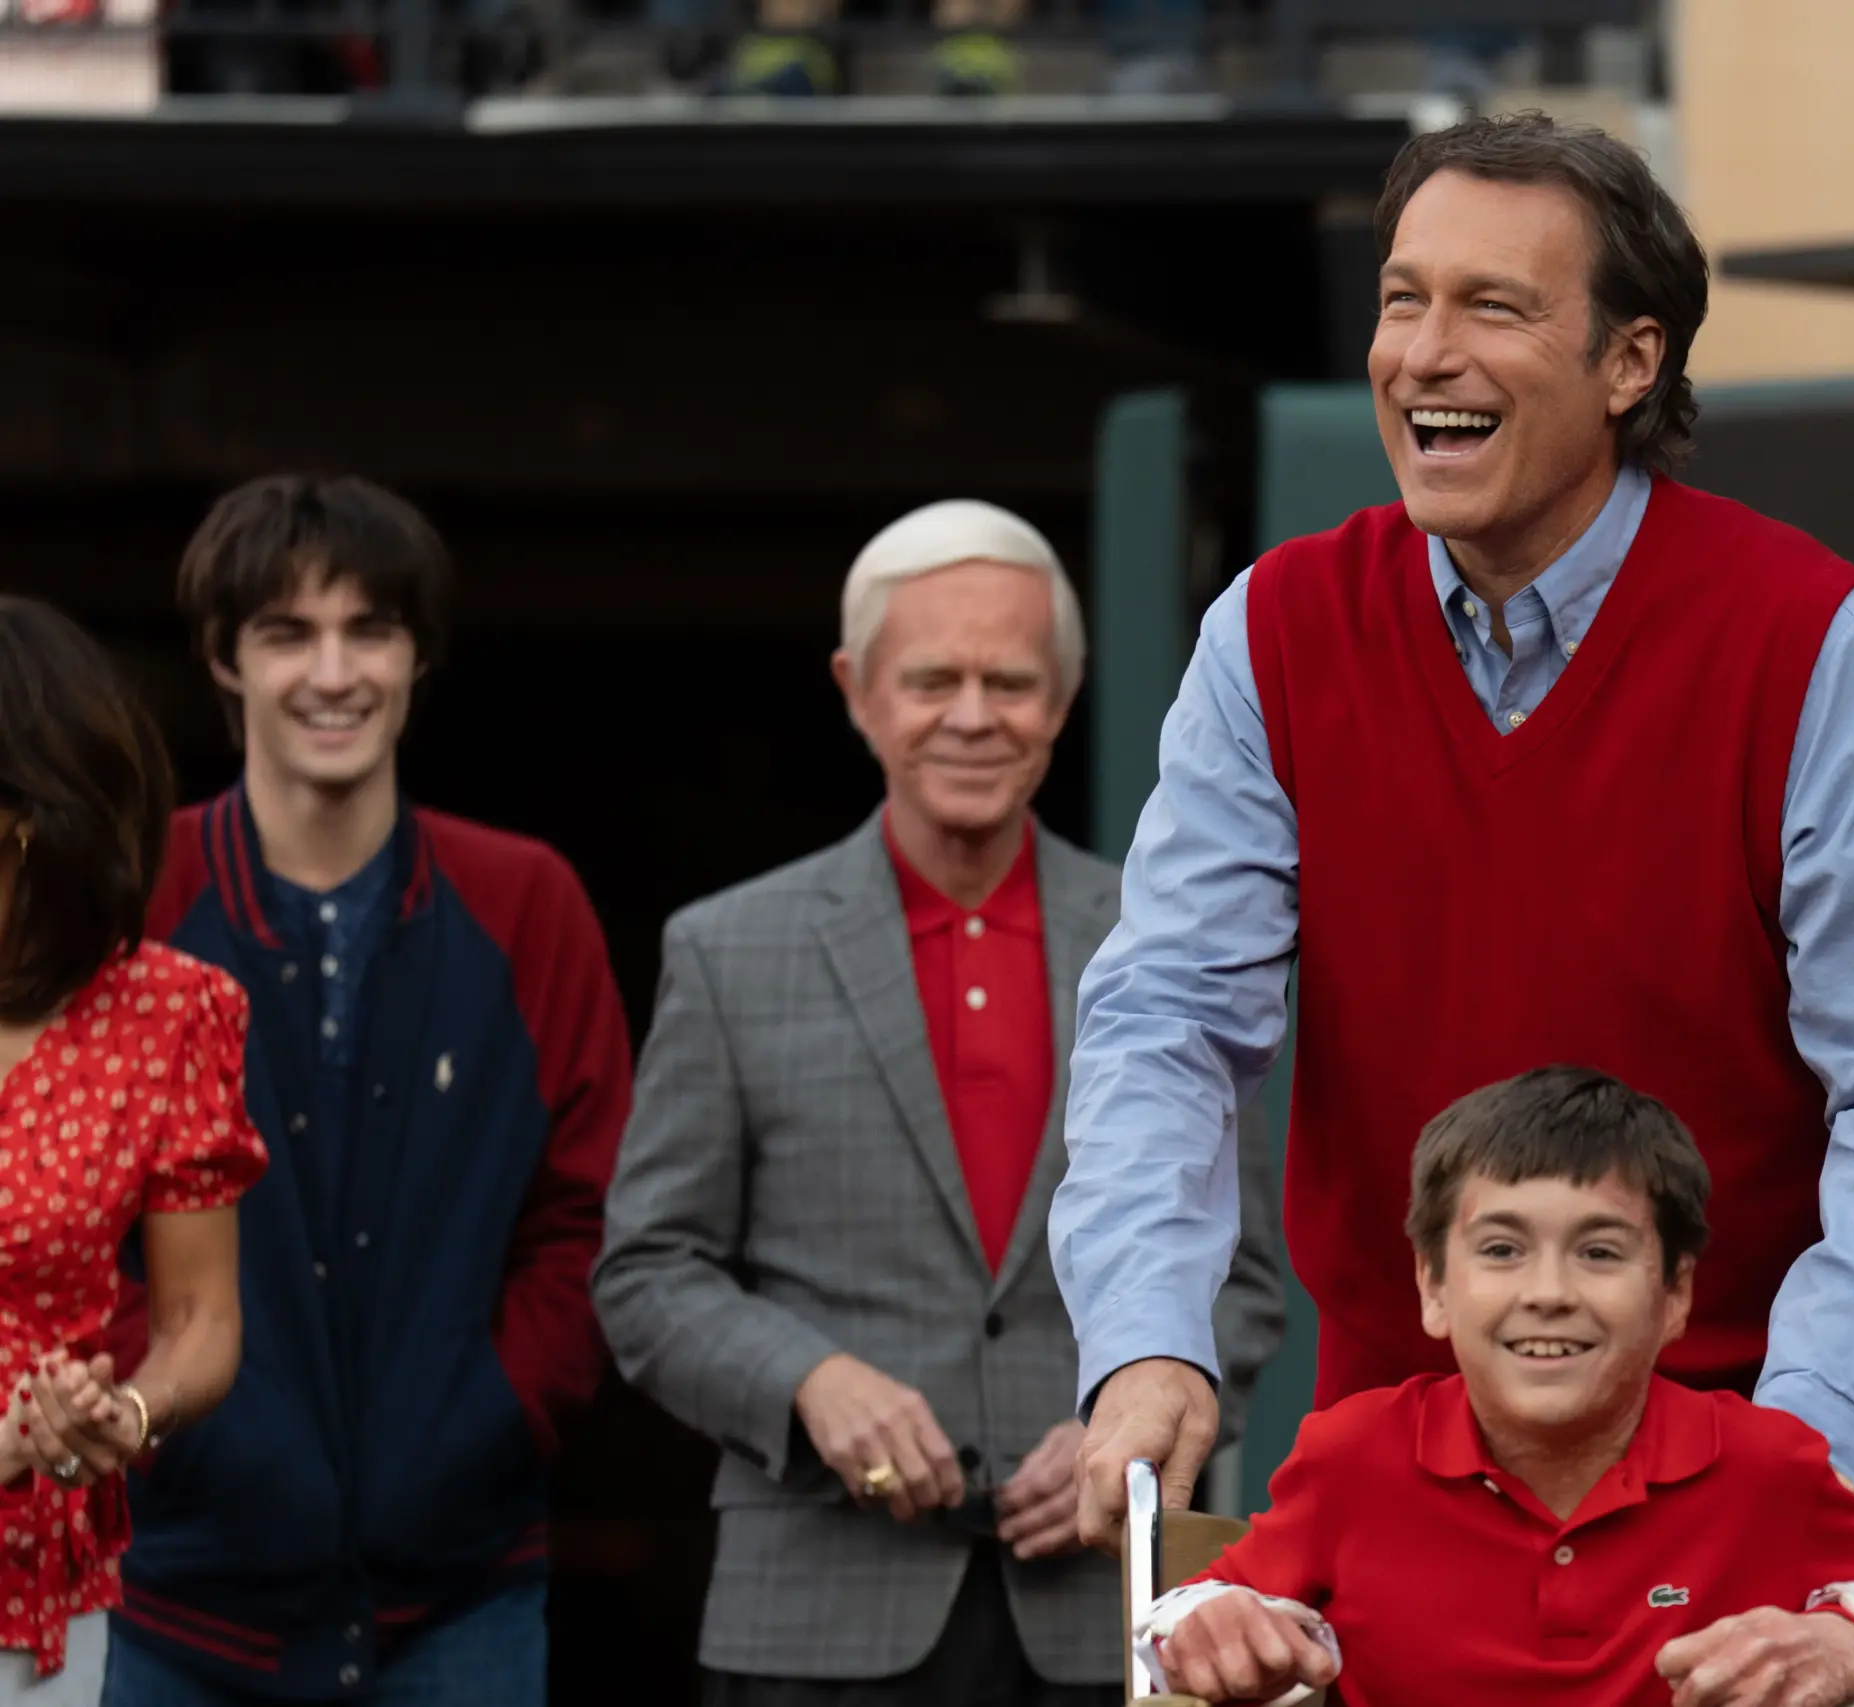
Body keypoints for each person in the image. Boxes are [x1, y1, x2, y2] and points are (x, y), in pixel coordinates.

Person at [1054, 110, 1854, 1548]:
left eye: (1493, 307)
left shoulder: (1817, 643)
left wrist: (1797, 1439)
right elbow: (1169, 1019)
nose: (1424, 353)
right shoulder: (1274, 632)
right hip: (1396, 1456)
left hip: (1757, 1440)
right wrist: (1143, 1339)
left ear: (1631, 361)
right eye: (1403, 299)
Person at [591, 500, 1286, 1707]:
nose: (973, 715)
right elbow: (646, 1274)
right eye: (931, 681)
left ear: (1062, 699)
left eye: (1009, 681)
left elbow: (1249, 1274)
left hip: (1103, 1614)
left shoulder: (1167, 949)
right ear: (857, 692)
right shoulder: (728, 950)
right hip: (815, 1618)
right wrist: (811, 1383)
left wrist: (1131, 1402)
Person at [106, 476, 634, 1705]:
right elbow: (62, 1218)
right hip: (175, 1598)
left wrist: (491, 1418)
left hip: (462, 1594)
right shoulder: (133, 900)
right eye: (288, 633)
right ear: (223, 658)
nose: (332, 673)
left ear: (418, 656)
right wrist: (178, 1431)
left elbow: (597, 1213)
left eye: (370, 631)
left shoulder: (528, 903)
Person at [1138, 1067, 1854, 1707]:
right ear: (1434, 1287)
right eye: (1501, 1249)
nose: (1548, 1291)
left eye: (1600, 1251)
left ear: (1675, 1294)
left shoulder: (1765, 1463)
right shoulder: (1353, 1454)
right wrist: (1212, 1627)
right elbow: (1186, 1617)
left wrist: (1851, 1648)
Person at [0, 599, 267, 1703]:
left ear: (25, 817)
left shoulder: (167, 1013)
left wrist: (127, 1414)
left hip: (29, 1592)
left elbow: (200, 1316)